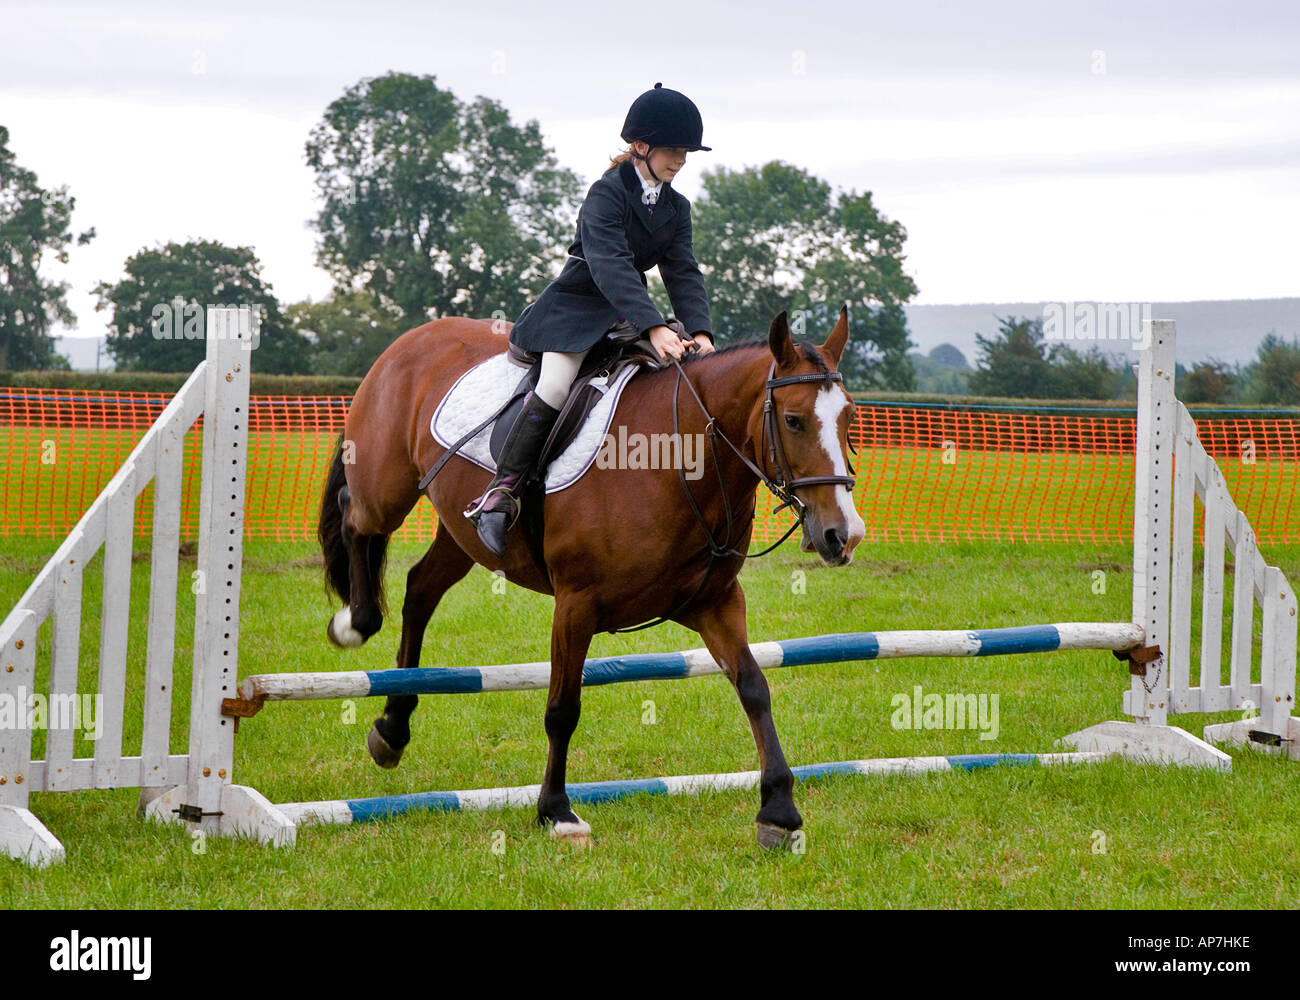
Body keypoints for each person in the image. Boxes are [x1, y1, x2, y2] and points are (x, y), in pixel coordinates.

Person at [466, 82, 717, 557]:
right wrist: (653, 327)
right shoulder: (606, 193)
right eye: (673, 149)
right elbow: (609, 264)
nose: (681, 160)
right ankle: (501, 494)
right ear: (640, 147)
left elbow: (682, 269)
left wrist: (699, 332)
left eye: (686, 151)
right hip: (576, 308)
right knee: (557, 385)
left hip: (629, 312)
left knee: (673, 375)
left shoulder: (676, 206)